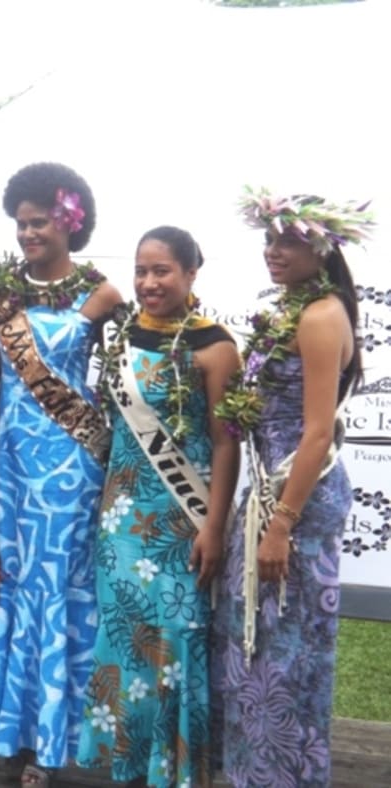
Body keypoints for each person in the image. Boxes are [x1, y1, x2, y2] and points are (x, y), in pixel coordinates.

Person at [212, 189, 371, 788]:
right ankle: (253, 773)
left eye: (287, 242)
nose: (272, 252)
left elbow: (318, 431)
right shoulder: (294, 309)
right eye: (269, 240)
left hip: (296, 503)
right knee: (256, 642)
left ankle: (285, 776)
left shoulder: (321, 315)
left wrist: (281, 523)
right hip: (270, 496)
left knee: (287, 649)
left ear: (322, 249)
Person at [0, 162, 123, 786]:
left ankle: (53, 743)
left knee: (57, 590)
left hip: (68, 467)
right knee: (10, 588)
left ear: (70, 222)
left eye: (40, 222)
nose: (29, 233)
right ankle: (9, 730)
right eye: (22, 224)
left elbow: (127, 382)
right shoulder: (1, 295)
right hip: (10, 463)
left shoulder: (104, 294)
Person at [75, 227, 240, 787]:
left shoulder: (214, 346)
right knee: (127, 638)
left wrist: (213, 526)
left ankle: (175, 773)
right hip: (121, 522)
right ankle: (131, 769)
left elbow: (226, 444)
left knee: (177, 636)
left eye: (162, 271)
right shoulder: (123, 335)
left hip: (182, 522)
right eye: (141, 271)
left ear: (192, 273)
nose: (148, 282)